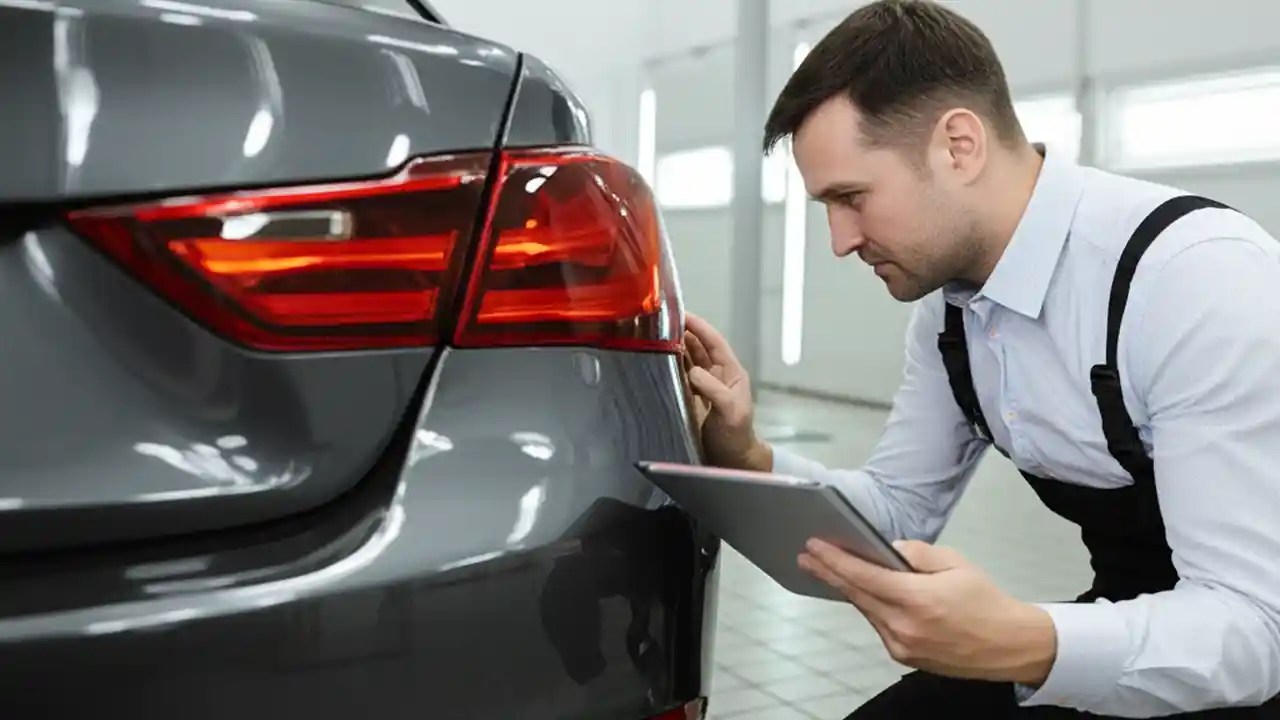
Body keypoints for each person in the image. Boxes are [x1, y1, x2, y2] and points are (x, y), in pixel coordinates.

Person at [681, 1, 1280, 718]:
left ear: (958, 146)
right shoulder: (952, 315)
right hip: (1140, 633)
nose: (840, 241)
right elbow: (897, 512)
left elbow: (1256, 629)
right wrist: (745, 455)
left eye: (852, 198)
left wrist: (1018, 640)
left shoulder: (1191, 279)